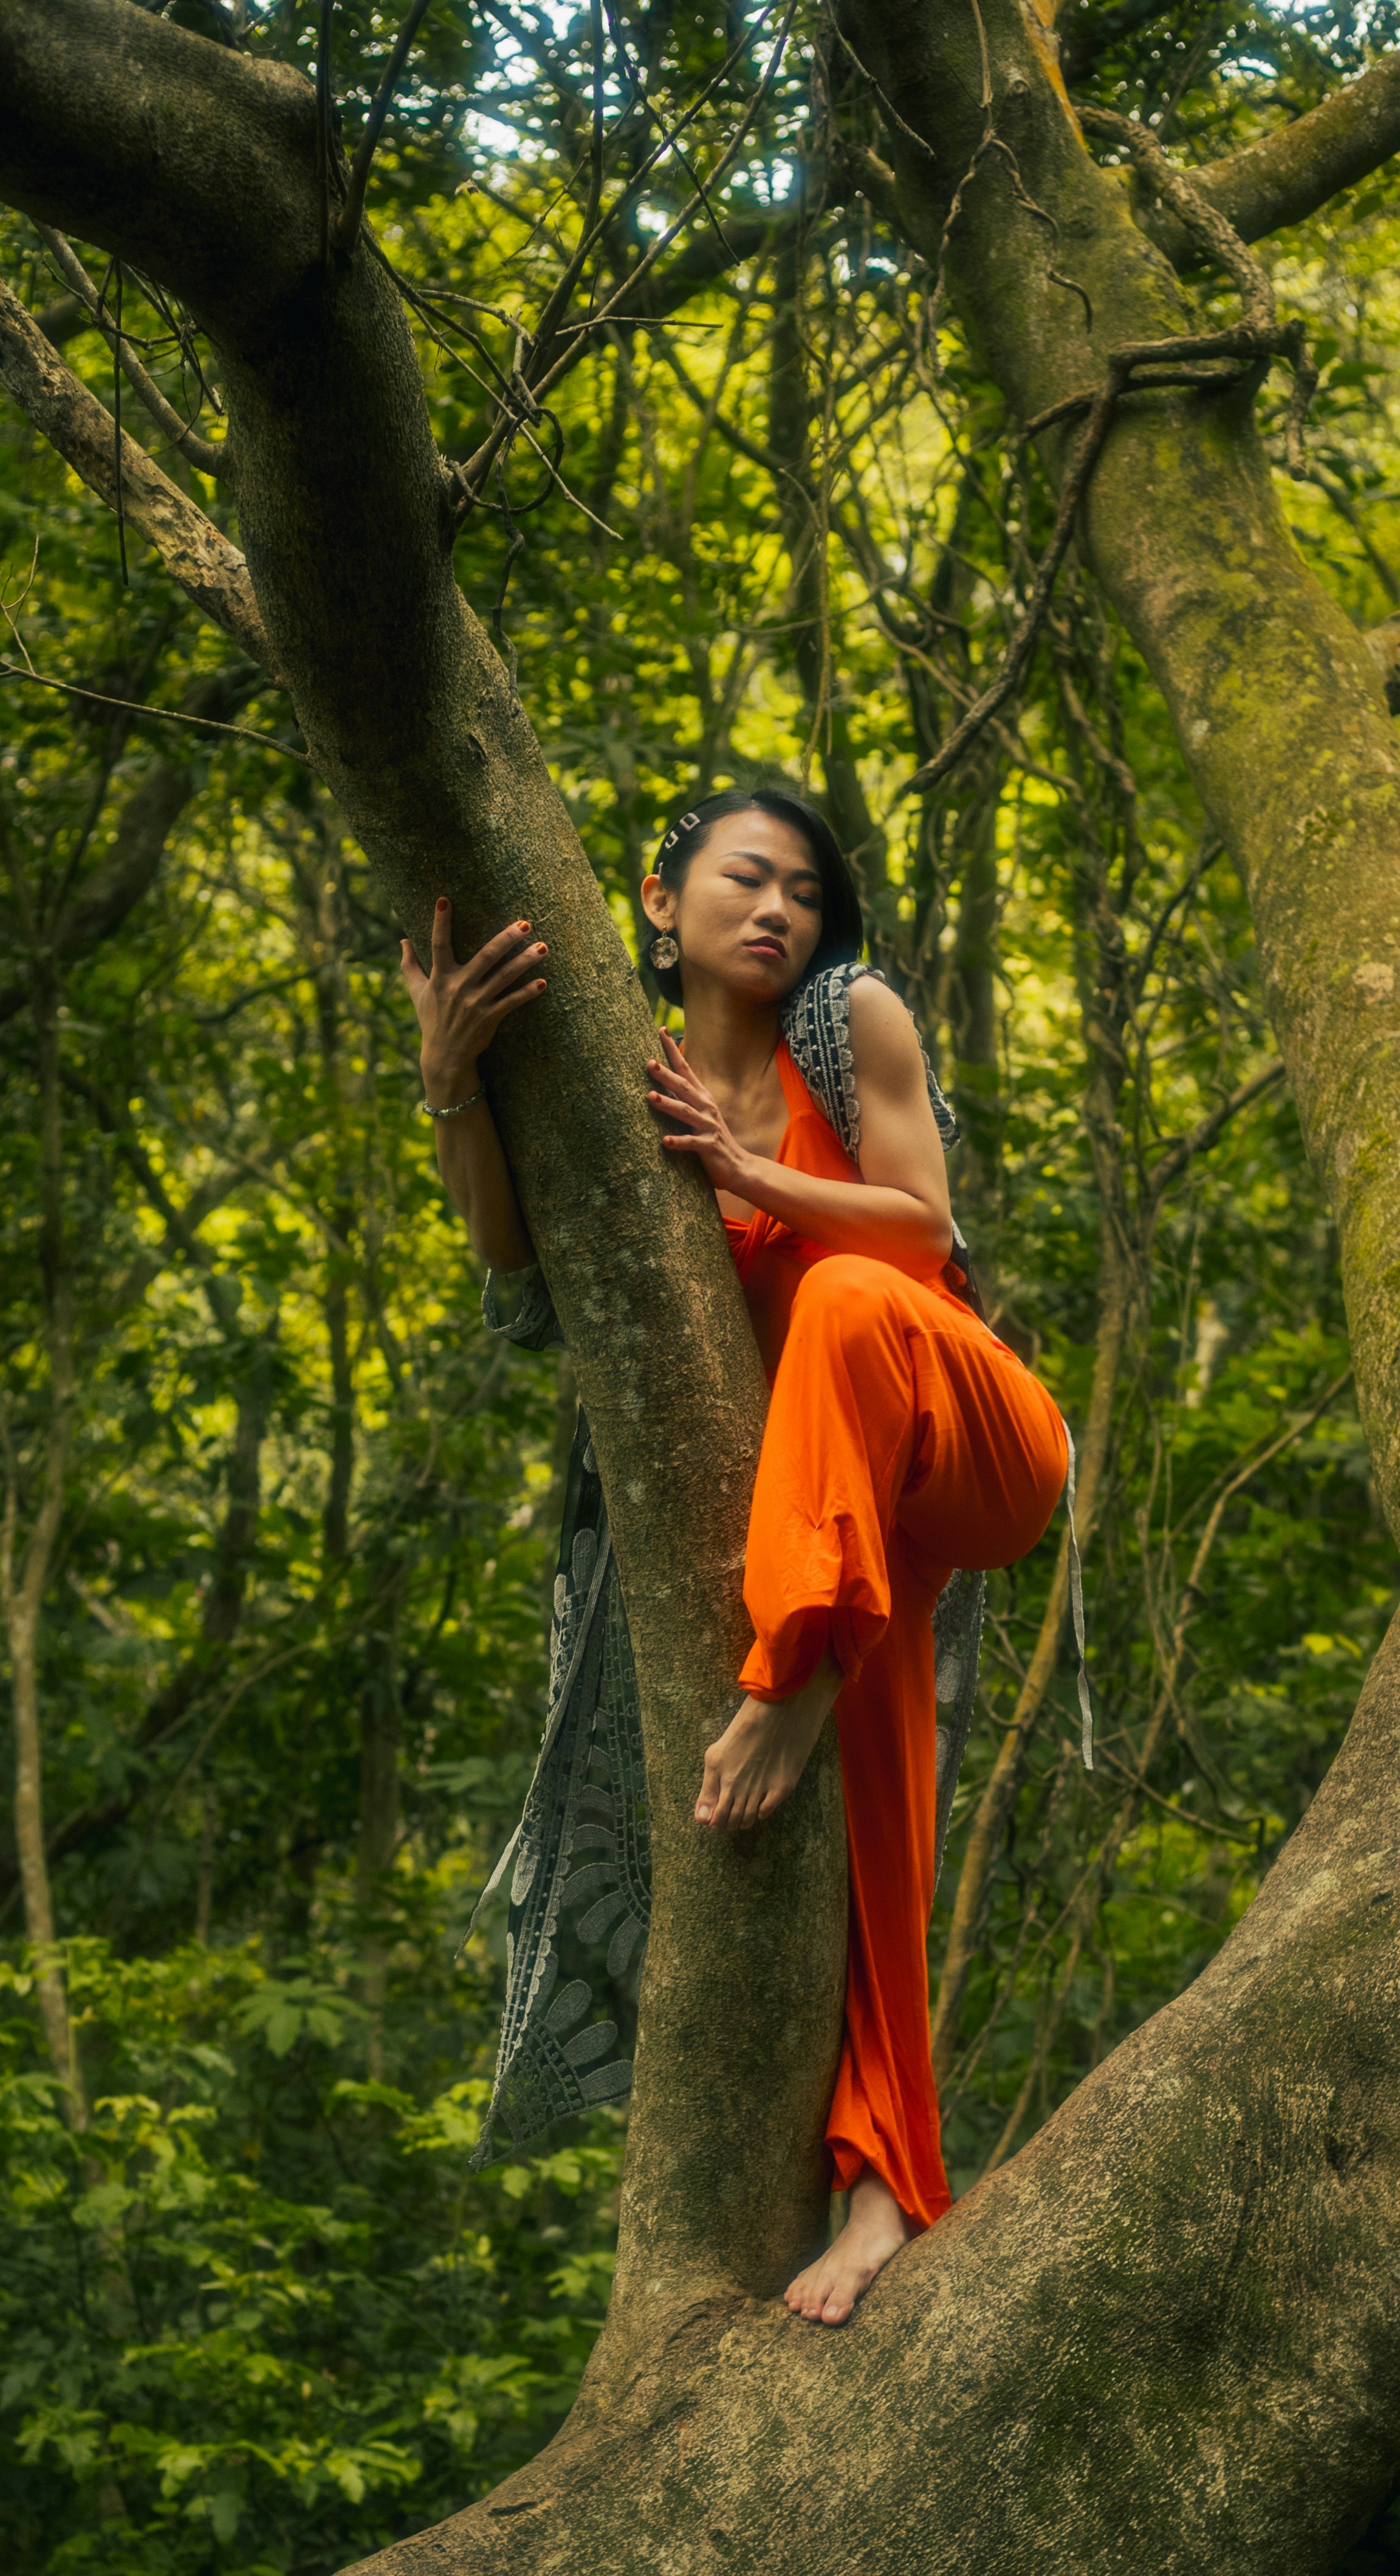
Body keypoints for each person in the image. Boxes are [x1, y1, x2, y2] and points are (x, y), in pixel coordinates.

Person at [401, 791, 1070, 2324]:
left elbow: (918, 1237)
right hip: (850, 1525)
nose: (781, 912)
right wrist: (452, 1085)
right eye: (744, 880)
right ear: (657, 897)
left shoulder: (854, 1019)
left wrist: (754, 1178)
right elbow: (517, 1261)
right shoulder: (611, 1084)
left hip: (971, 1437)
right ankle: (885, 2194)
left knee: (837, 1300)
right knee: (877, 1849)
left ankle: (795, 1670)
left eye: (807, 894)